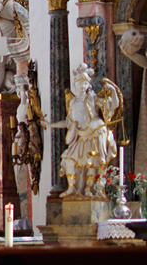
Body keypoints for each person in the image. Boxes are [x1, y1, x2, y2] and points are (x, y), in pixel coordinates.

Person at [46, 63, 121, 197]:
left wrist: (113, 91)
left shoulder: (92, 98)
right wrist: (51, 125)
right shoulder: (73, 102)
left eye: (85, 83)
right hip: (80, 135)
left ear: (88, 85)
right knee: (70, 161)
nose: (82, 86)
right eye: (80, 83)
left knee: (92, 164)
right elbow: (68, 122)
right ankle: (71, 188)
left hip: (95, 133)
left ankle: (89, 189)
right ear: (75, 84)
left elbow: (113, 105)